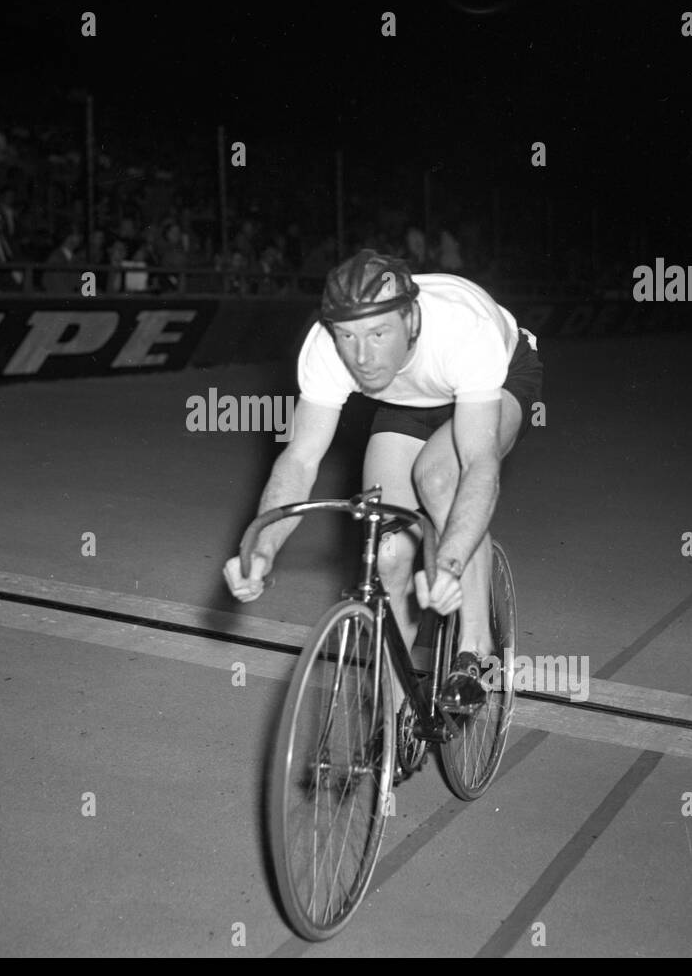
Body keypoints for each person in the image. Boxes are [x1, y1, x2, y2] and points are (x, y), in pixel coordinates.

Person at [222, 250, 543, 712]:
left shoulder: (462, 332)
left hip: (498, 377)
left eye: (378, 333)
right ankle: (390, 722)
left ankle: (476, 650)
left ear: (410, 319)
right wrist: (261, 550)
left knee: (437, 478)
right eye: (347, 336)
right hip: (410, 394)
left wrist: (448, 564)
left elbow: (479, 466)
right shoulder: (327, 348)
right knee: (390, 555)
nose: (362, 356)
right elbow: (300, 460)